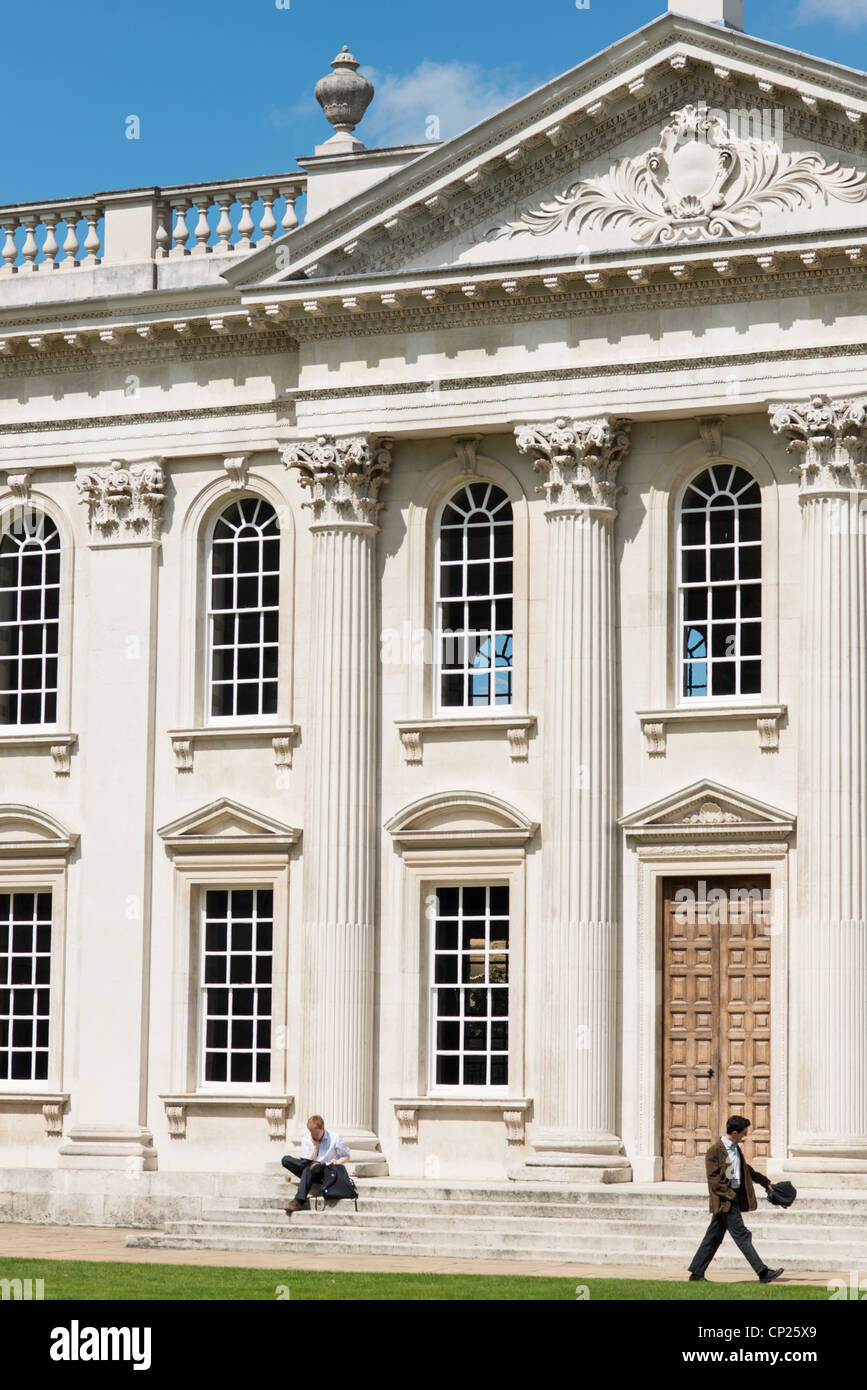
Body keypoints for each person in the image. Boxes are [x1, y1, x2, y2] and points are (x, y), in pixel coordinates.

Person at [687, 1115, 784, 1284]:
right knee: (742, 1235)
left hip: (734, 1197)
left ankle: (696, 1273)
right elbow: (714, 1181)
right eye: (743, 1133)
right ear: (734, 1132)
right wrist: (731, 1196)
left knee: (713, 1237)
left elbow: (746, 1170)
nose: (744, 1136)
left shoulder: (735, 1149)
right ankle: (762, 1272)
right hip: (726, 1200)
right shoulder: (714, 1151)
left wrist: (766, 1182)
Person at [282, 1114, 351, 1213]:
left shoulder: (335, 1138)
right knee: (286, 1160)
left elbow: (347, 1156)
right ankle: (312, 1166)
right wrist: (315, 1147)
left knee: (308, 1168)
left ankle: (298, 1201)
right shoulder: (306, 1139)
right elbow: (308, 1159)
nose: (314, 1136)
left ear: (323, 1128)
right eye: (312, 1133)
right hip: (310, 1167)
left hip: (326, 1171)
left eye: (317, 1134)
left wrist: (337, 1162)